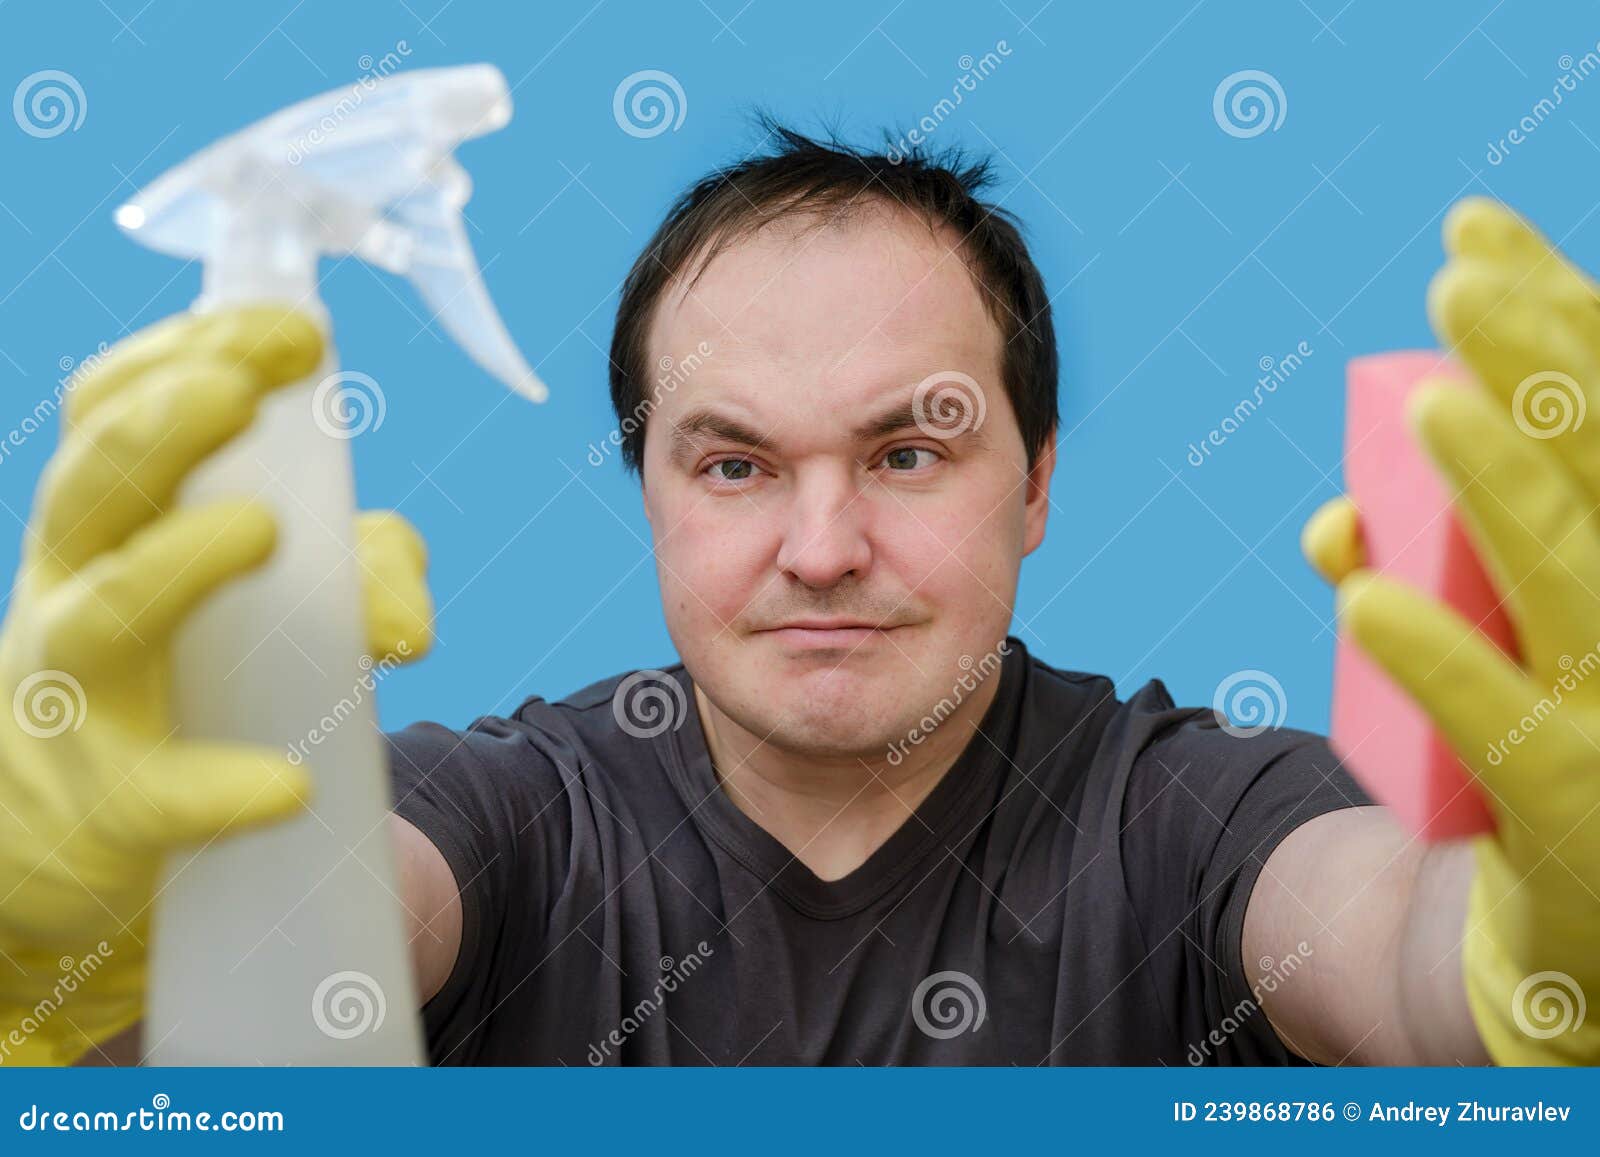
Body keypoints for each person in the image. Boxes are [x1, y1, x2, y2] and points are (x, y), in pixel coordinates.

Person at [1, 123, 1595, 1067]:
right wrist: (104, 959)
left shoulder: (1184, 810)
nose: (821, 545)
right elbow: (281, 979)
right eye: (736, 464)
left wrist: (1545, 931)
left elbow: (1403, 957)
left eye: (908, 452)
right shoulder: (506, 814)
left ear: (1037, 480)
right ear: (651, 493)